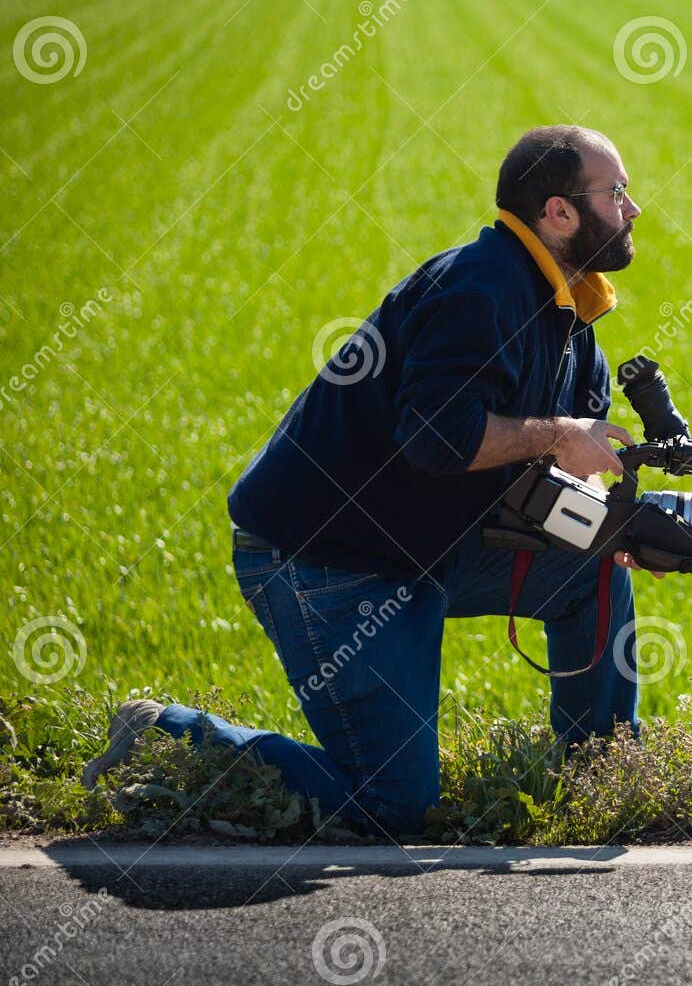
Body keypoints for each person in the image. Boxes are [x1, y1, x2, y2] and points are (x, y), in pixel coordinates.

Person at [82, 125, 659, 837]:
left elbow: (542, 480)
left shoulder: (575, 318)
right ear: (559, 212)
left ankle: (602, 773)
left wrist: (615, 527)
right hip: (328, 559)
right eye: (618, 193)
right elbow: (438, 436)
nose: (633, 210)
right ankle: (167, 732)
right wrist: (558, 434)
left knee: (595, 563)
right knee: (396, 806)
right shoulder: (482, 289)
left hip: (423, 550)